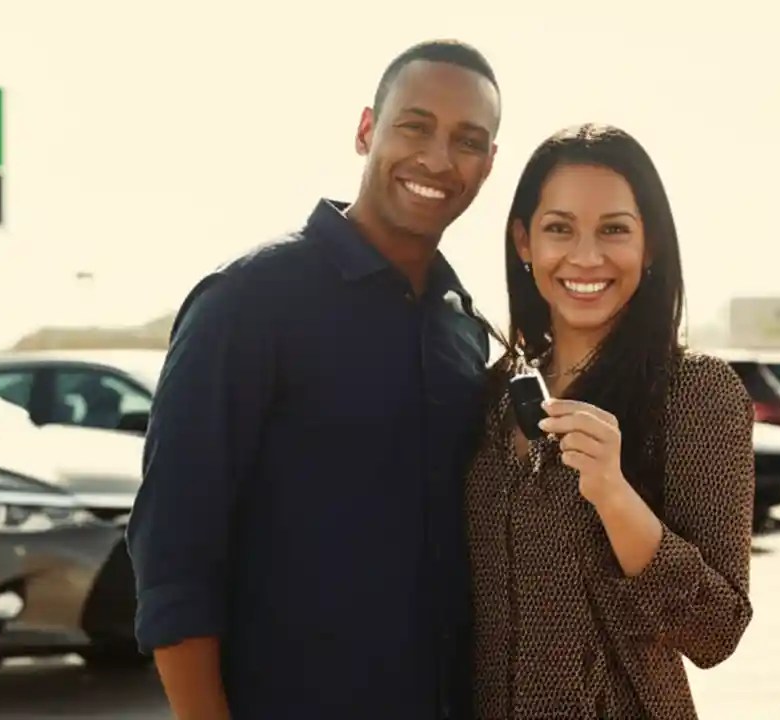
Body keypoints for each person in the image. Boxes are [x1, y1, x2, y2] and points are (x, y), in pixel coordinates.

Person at [126, 40, 503, 720]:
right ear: (367, 130)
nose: (439, 159)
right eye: (415, 126)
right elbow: (174, 551)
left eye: (467, 140)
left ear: (488, 166)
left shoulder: (463, 329)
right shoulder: (248, 300)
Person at [463, 123, 756, 719]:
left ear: (650, 247)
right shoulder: (490, 395)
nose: (586, 256)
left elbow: (716, 631)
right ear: (524, 242)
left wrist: (615, 496)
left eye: (614, 229)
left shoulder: (697, 392)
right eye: (559, 229)